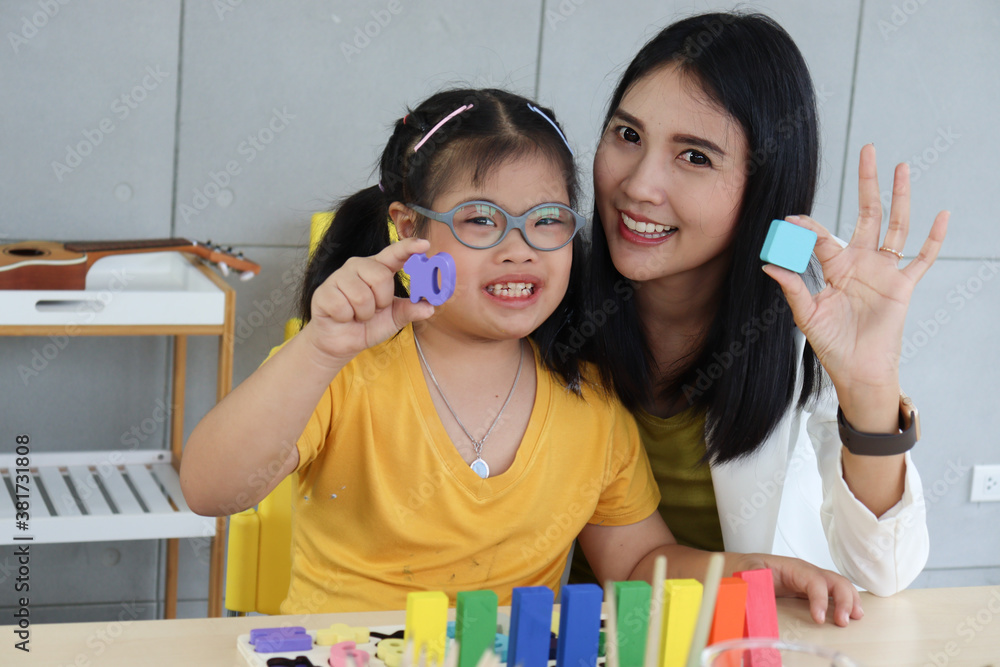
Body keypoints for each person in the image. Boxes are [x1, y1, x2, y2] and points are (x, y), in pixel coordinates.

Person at [180, 86, 861, 621]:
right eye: (480, 219)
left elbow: (638, 562)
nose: (519, 248)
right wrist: (319, 349)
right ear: (408, 228)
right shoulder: (346, 369)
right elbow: (210, 489)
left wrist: (757, 571)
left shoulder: (590, 403)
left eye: (546, 221)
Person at [573, 11, 947, 614]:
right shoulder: (548, 300)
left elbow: (885, 570)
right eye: (628, 135)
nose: (640, 185)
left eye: (695, 157)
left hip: (740, 638)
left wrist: (869, 387)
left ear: (764, 187)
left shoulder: (811, 319)